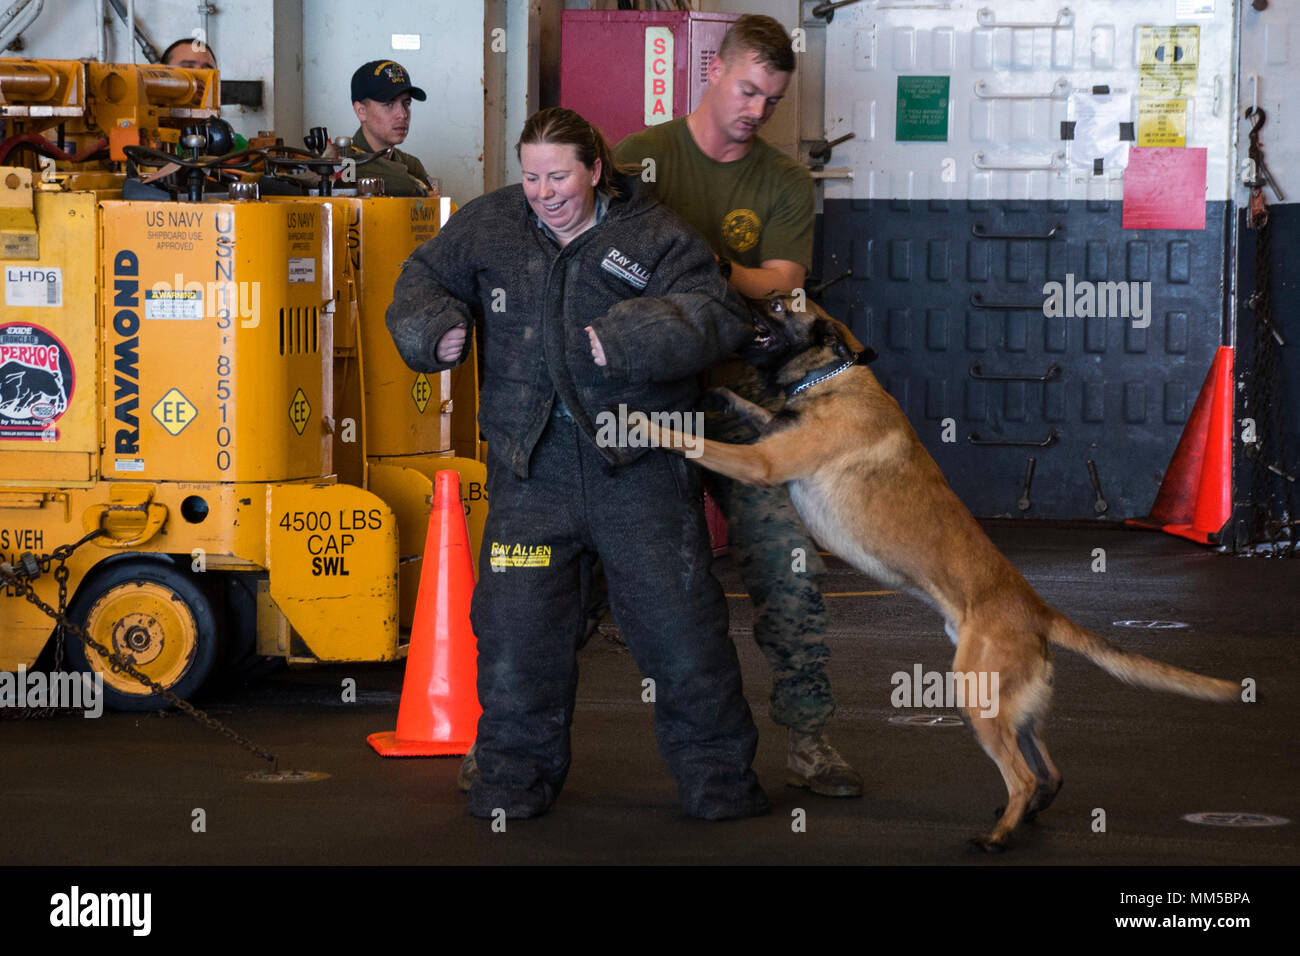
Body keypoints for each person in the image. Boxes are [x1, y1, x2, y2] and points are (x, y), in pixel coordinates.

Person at [385, 107, 768, 821]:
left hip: (640, 473)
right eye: (530, 176)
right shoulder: (491, 224)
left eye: (559, 176)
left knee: (682, 636)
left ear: (596, 170)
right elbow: (422, 279)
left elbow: (717, 314)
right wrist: (432, 327)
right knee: (517, 638)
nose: (543, 191)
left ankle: (721, 783)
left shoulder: (655, 233)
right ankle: (509, 780)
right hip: (533, 476)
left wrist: (628, 336)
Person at [615, 14, 864, 798]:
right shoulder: (640, 158)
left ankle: (811, 737)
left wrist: (701, 259)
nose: (757, 109)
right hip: (642, 391)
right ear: (713, 71)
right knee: (581, 567)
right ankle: (509, 743)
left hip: (737, 395)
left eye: (771, 98)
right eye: (748, 89)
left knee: (787, 560)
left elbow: (783, 285)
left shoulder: (783, 180)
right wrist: (735, 274)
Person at [347, 60, 435, 197]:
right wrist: (412, 185)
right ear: (361, 111)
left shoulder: (412, 165)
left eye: (406, 104)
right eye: (388, 104)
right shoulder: (341, 163)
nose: (403, 114)